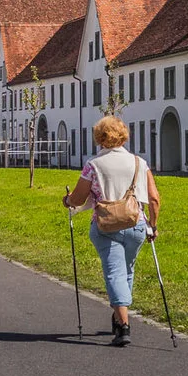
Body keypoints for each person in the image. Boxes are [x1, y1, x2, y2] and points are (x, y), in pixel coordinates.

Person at [62, 114, 161, 346]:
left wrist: (67, 201)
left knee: (114, 272)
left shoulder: (93, 165)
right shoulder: (139, 163)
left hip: (105, 225)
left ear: (99, 138)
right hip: (135, 223)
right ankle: (120, 313)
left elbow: (78, 198)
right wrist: (153, 225)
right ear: (123, 136)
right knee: (126, 270)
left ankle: (123, 325)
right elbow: (154, 198)